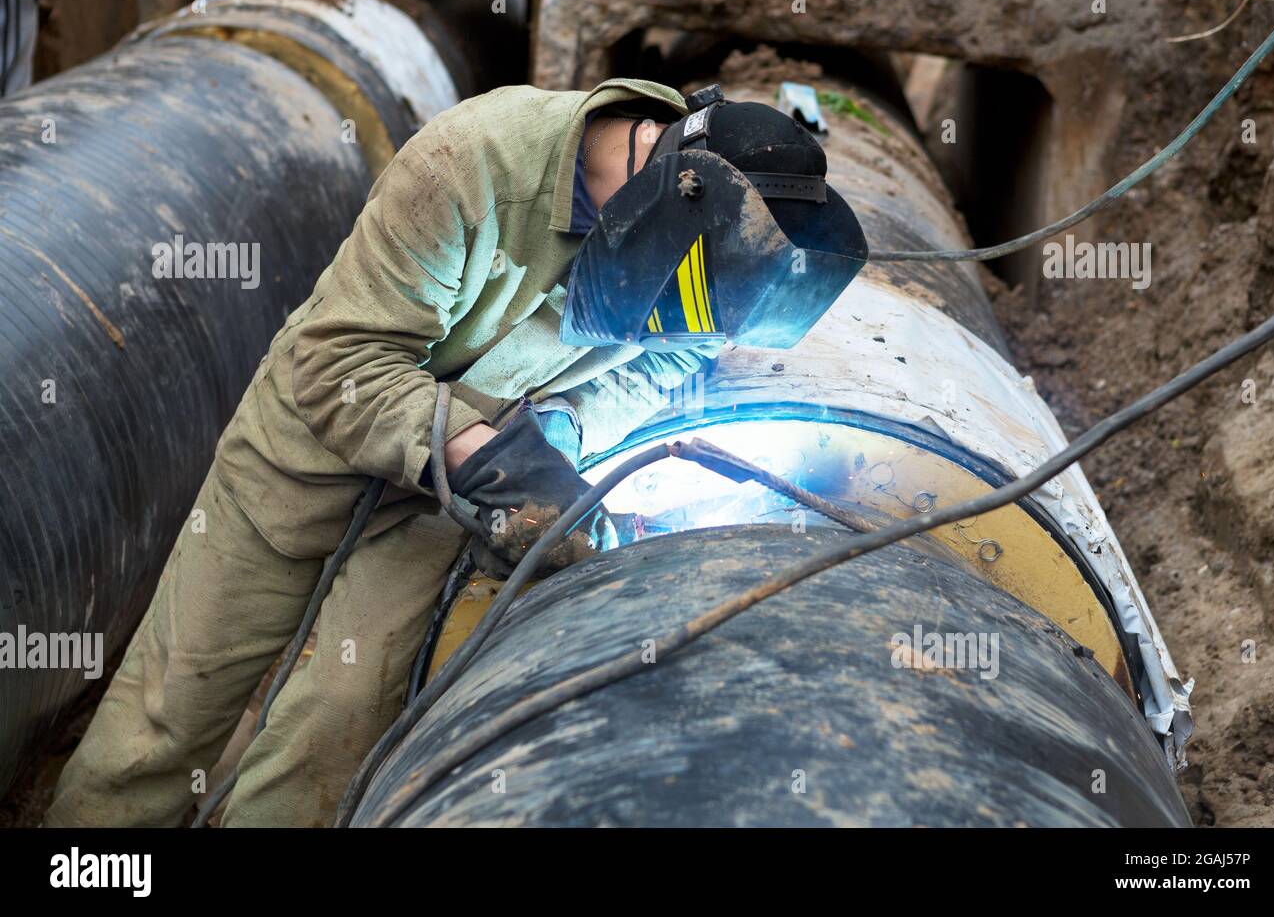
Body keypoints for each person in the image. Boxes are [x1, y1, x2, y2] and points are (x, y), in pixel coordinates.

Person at [44, 79, 869, 827]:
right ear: (661, 193)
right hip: (316, 447)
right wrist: (485, 454)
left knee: (336, 726)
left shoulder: (705, 253)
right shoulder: (470, 164)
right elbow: (341, 360)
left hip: (448, 505)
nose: (678, 313)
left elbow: (667, 361)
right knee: (166, 718)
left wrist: (553, 444)